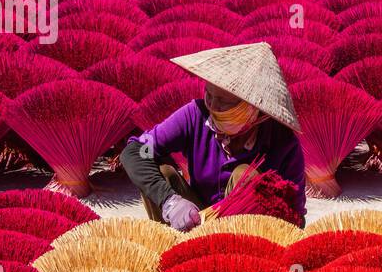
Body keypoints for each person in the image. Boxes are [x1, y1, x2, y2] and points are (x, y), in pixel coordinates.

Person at [120, 42, 306, 232]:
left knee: (246, 175)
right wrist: (170, 201)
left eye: (224, 102)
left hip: (247, 235)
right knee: (163, 172)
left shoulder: (283, 144)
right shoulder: (194, 116)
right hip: (193, 221)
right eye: (209, 94)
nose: (213, 107)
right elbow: (135, 151)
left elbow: (296, 217)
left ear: (254, 109)